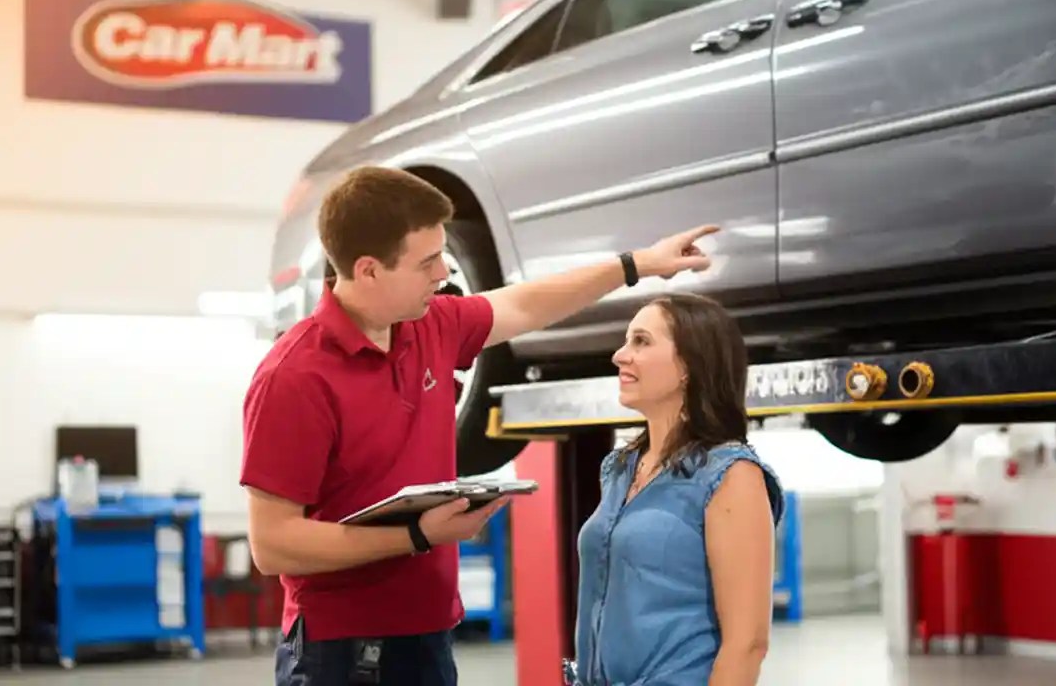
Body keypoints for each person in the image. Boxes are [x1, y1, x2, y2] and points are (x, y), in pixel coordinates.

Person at [239, 165, 719, 686]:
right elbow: (273, 544)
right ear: (370, 270)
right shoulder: (294, 377)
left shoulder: (429, 326)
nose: (443, 272)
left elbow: (525, 302)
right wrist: (417, 536)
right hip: (342, 655)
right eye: (426, 262)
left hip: (429, 638)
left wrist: (638, 264)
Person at [572, 293, 785, 686]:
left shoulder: (731, 475)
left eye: (641, 341)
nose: (620, 355)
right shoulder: (619, 469)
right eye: (626, 341)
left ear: (689, 364)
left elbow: (747, 643)